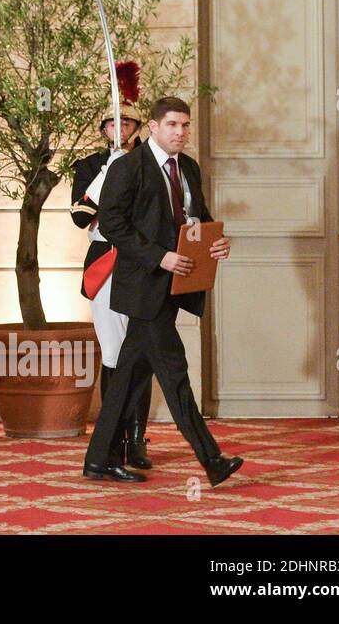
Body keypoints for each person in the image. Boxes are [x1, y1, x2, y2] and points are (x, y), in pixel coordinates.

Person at [83, 97, 243, 486]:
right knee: (175, 372)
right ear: (153, 127)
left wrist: (215, 242)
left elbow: (198, 219)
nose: (181, 132)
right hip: (142, 288)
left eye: (185, 125)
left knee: (128, 379)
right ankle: (212, 459)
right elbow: (114, 225)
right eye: (172, 125)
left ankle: (97, 461)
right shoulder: (128, 167)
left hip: (175, 287)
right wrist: (160, 258)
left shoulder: (188, 167)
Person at [69, 60, 153, 469]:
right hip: (106, 262)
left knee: (146, 350)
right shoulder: (89, 167)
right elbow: (82, 217)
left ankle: (137, 438)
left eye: (125, 124)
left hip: (144, 263)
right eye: (111, 125)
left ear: (137, 127)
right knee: (115, 353)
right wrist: (109, 170)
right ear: (103, 129)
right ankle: (113, 438)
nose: (118, 131)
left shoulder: (151, 165)